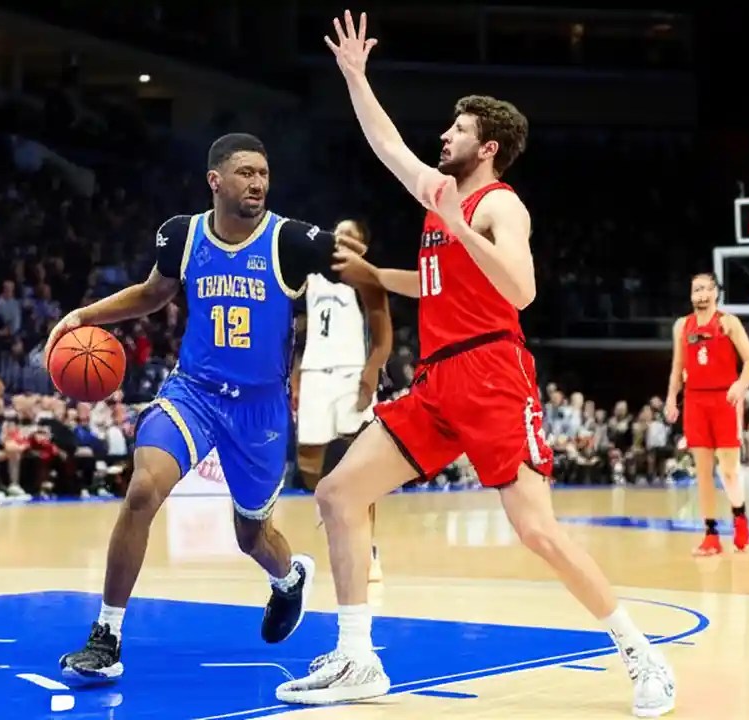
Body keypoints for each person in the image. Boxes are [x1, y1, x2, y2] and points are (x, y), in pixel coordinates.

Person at [276, 12, 676, 718]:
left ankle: (641, 653)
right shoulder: (436, 194)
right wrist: (355, 77)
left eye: (457, 131)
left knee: (537, 532)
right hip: (436, 381)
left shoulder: (500, 206)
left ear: (486, 146)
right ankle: (358, 658)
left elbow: (520, 291)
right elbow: (389, 146)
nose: (443, 138)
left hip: (493, 375)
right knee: (338, 494)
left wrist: (462, 226)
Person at [48, 132, 369, 683]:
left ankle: (288, 577)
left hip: (260, 411)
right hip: (193, 392)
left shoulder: (290, 240)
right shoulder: (183, 234)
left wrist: (379, 350)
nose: (258, 183)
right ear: (215, 180)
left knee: (251, 536)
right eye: (246, 173)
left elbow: (367, 277)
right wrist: (84, 317)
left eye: (264, 174)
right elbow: (153, 293)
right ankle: (107, 635)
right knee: (143, 489)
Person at [292, 218, 392, 583]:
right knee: (308, 460)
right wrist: (298, 372)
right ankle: (332, 502)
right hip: (318, 371)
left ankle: (368, 549)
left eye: (351, 234)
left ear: (362, 243)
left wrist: (371, 372)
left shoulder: (367, 278)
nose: (342, 239)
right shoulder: (314, 277)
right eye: (339, 233)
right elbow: (305, 329)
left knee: (360, 463)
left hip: (352, 372)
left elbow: (383, 333)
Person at [664, 273, 749, 556]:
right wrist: (672, 398)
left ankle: (740, 517)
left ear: (716, 293)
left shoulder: (728, 322)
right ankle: (711, 535)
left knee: (729, 471)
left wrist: (740, 386)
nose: (702, 294)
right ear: (691, 295)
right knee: (702, 473)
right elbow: (677, 366)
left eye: (707, 289)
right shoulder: (682, 326)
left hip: (724, 400)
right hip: (695, 400)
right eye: (696, 290)